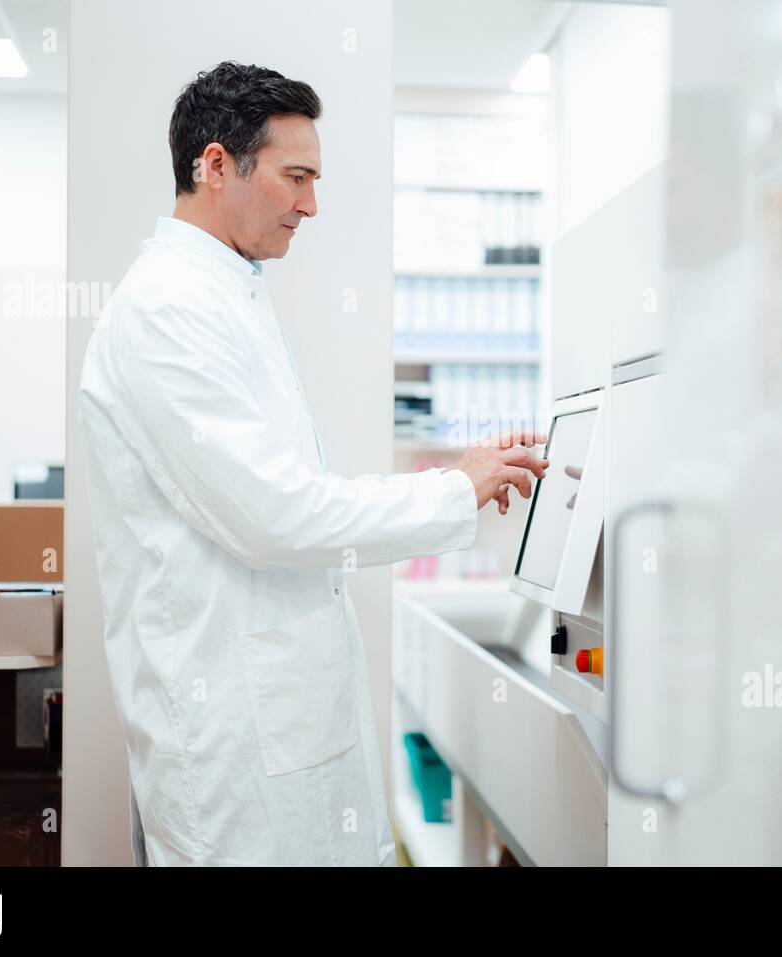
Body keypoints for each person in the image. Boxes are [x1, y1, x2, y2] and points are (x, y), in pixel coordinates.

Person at [78, 61, 547, 866]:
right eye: (296, 177)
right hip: (231, 759)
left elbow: (287, 501)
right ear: (216, 165)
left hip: (275, 737)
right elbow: (275, 513)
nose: (312, 204)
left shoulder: (231, 294)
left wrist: (460, 479)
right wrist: (452, 489)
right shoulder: (166, 311)